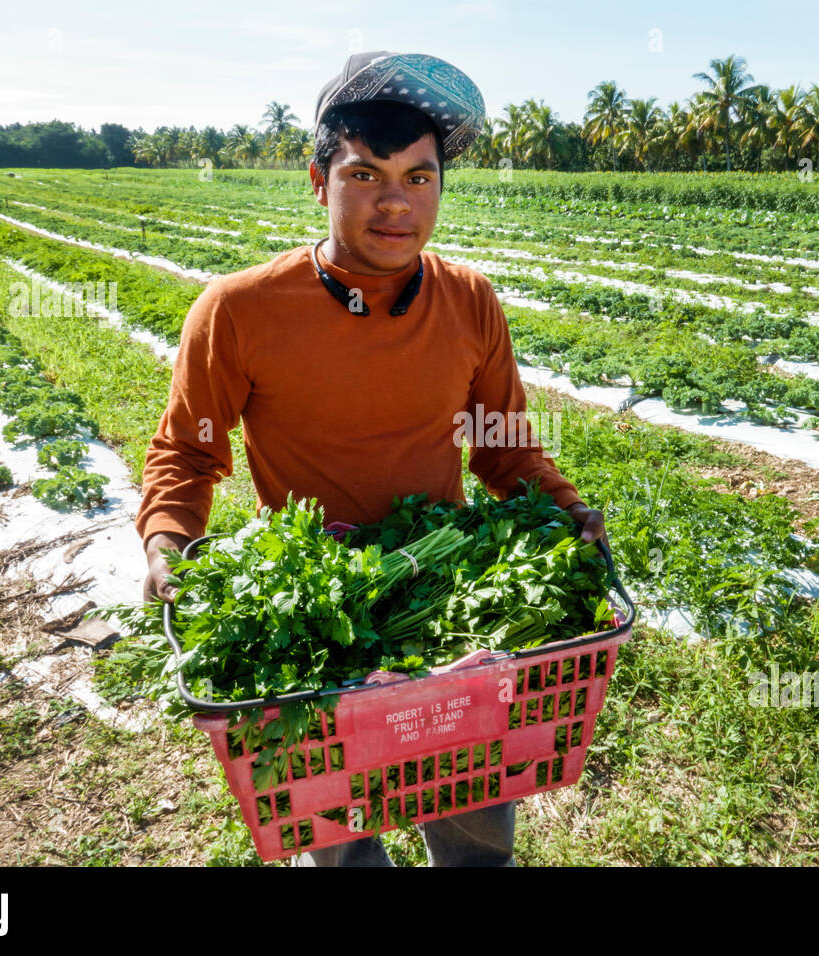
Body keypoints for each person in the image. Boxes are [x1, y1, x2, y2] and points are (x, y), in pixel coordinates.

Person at [135, 51, 606, 866]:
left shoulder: (469, 299)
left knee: (472, 806)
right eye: (366, 174)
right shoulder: (240, 310)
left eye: (420, 179)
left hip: (447, 598)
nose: (396, 203)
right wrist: (166, 541)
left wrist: (564, 507)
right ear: (319, 182)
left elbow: (504, 447)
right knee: (338, 825)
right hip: (320, 620)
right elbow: (188, 449)